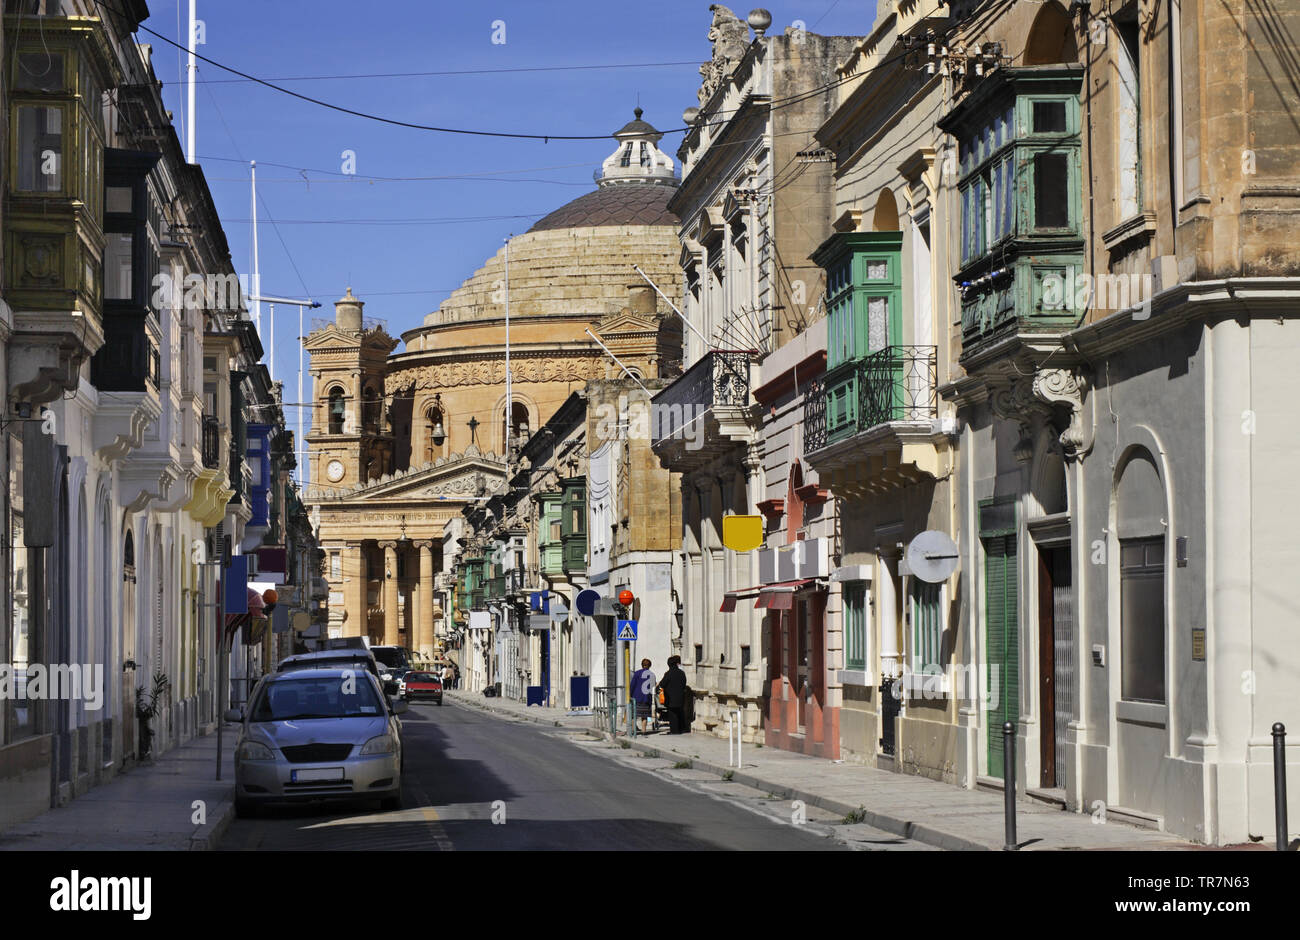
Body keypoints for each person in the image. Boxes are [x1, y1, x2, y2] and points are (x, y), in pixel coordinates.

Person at [657, 655, 689, 734]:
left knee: (672, 714)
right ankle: (682, 728)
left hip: (670, 698)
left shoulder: (669, 673)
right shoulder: (682, 673)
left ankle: (674, 731)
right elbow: (684, 683)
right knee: (680, 712)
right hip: (681, 697)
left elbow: (662, 684)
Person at [630, 659, 657, 733]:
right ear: (650, 666)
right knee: (644, 716)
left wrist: (630, 695)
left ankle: (633, 729)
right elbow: (652, 687)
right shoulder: (652, 674)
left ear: (642, 665)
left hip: (636, 697)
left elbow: (632, 685)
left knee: (634, 715)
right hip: (646, 698)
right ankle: (644, 730)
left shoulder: (637, 673)